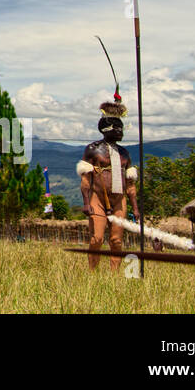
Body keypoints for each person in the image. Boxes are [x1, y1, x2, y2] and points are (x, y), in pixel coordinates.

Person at [77, 91, 140, 270]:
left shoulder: (124, 153)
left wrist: (135, 208)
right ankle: (92, 273)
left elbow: (131, 184)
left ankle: (114, 276)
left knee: (116, 240)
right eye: (117, 128)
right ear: (107, 129)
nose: (121, 132)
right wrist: (86, 203)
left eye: (122, 128)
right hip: (97, 198)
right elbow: (85, 180)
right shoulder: (92, 149)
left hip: (119, 200)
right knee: (97, 238)